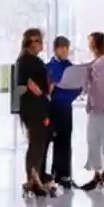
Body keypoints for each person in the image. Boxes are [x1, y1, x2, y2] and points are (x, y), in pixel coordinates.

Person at [15, 28, 52, 197]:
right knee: (36, 143)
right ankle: (32, 179)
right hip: (32, 107)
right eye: (36, 40)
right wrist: (41, 93)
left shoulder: (35, 60)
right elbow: (29, 83)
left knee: (39, 142)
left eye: (40, 40)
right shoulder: (26, 61)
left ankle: (35, 176)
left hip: (38, 105)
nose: (39, 43)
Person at [81, 32, 104, 191]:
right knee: (102, 138)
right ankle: (103, 170)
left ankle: (100, 171)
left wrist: (86, 80)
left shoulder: (102, 63)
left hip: (100, 108)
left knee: (95, 139)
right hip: (103, 107)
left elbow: (99, 86)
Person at [43, 36, 80, 187]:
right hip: (52, 110)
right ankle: (50, 174)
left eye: (67, 48)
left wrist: (65, 92)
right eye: (62, 48)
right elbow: (49, 89)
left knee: (65, 141)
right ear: (56, 49)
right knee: (50, 141)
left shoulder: (71, 67)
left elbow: (77, 87)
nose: (65, 51)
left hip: (66, 109)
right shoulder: (48, 67)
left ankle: (64, 175)